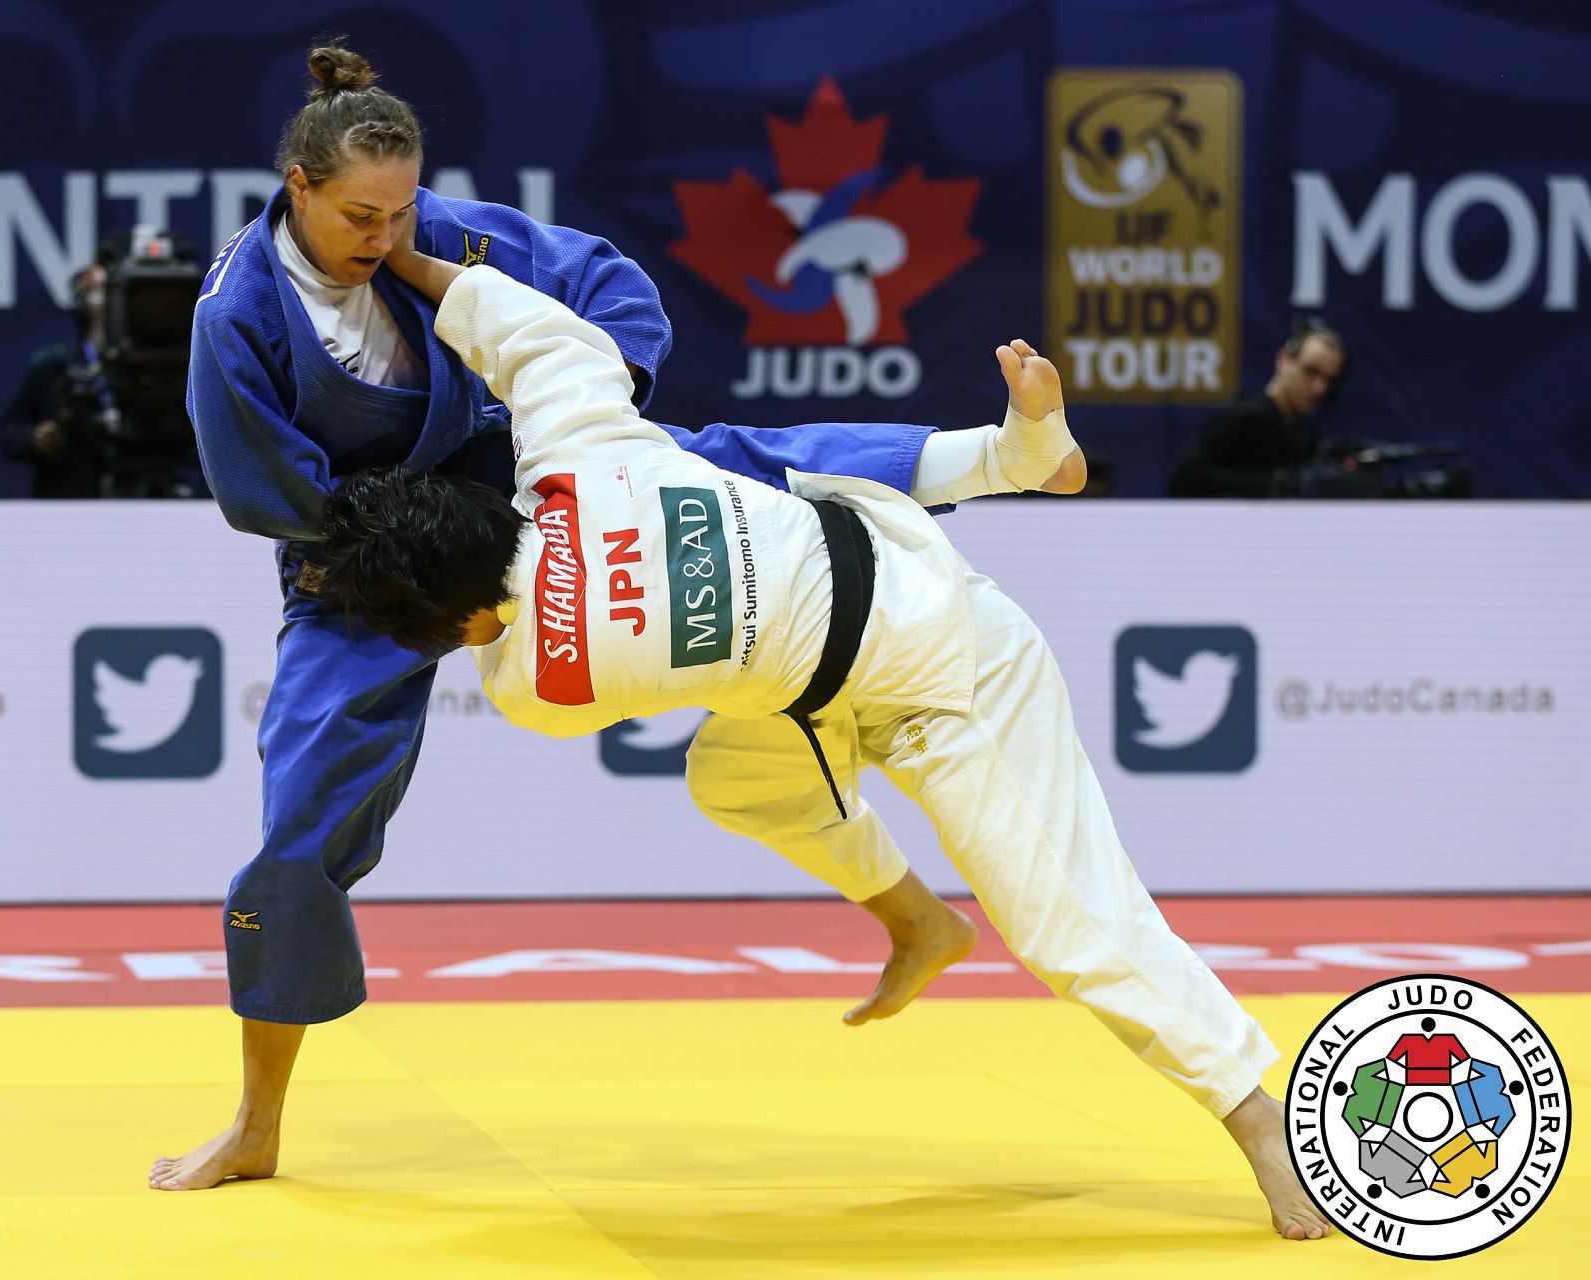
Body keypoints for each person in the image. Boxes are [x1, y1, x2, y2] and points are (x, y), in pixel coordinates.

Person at [313, 247, 1332, 1242]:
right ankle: (919, 917)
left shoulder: (534, 681)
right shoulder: (579, 455)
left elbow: (514, 615)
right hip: (858, 625)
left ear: (463, 626)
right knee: (734, 757)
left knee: (1065, 920)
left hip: (951, 673)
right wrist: (405, 256)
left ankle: (1254, 1112)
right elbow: (527, 331)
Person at [153, 40, 987, 1194]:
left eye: (399, 209)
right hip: (373, 565)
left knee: (735, 466)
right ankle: (256, 1123)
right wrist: (414, 542)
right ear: (295, 188)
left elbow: (613, 292)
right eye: (358, 214)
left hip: (529, 497)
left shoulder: (443, 232)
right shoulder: (237, 312)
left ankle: (995, 460)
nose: (385, 236)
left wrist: (596, 414)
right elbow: (263, 488)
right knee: (297, 827)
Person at [1167, 317, 1345, 497]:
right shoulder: (1247, 417)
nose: (1319, 388)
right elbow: (1185, 479)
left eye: (1328, 380)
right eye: (1310, 371)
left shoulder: (1306, 432)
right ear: (1284, 359)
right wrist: (1273, 486)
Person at [0, 262, 109, 498]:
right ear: (82, 303)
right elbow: (8, 434)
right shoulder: (51, 365)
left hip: (148, 498)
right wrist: (35, 438)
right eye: (100, 290)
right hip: (69, 497)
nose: (110, 299)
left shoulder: (161, 367)